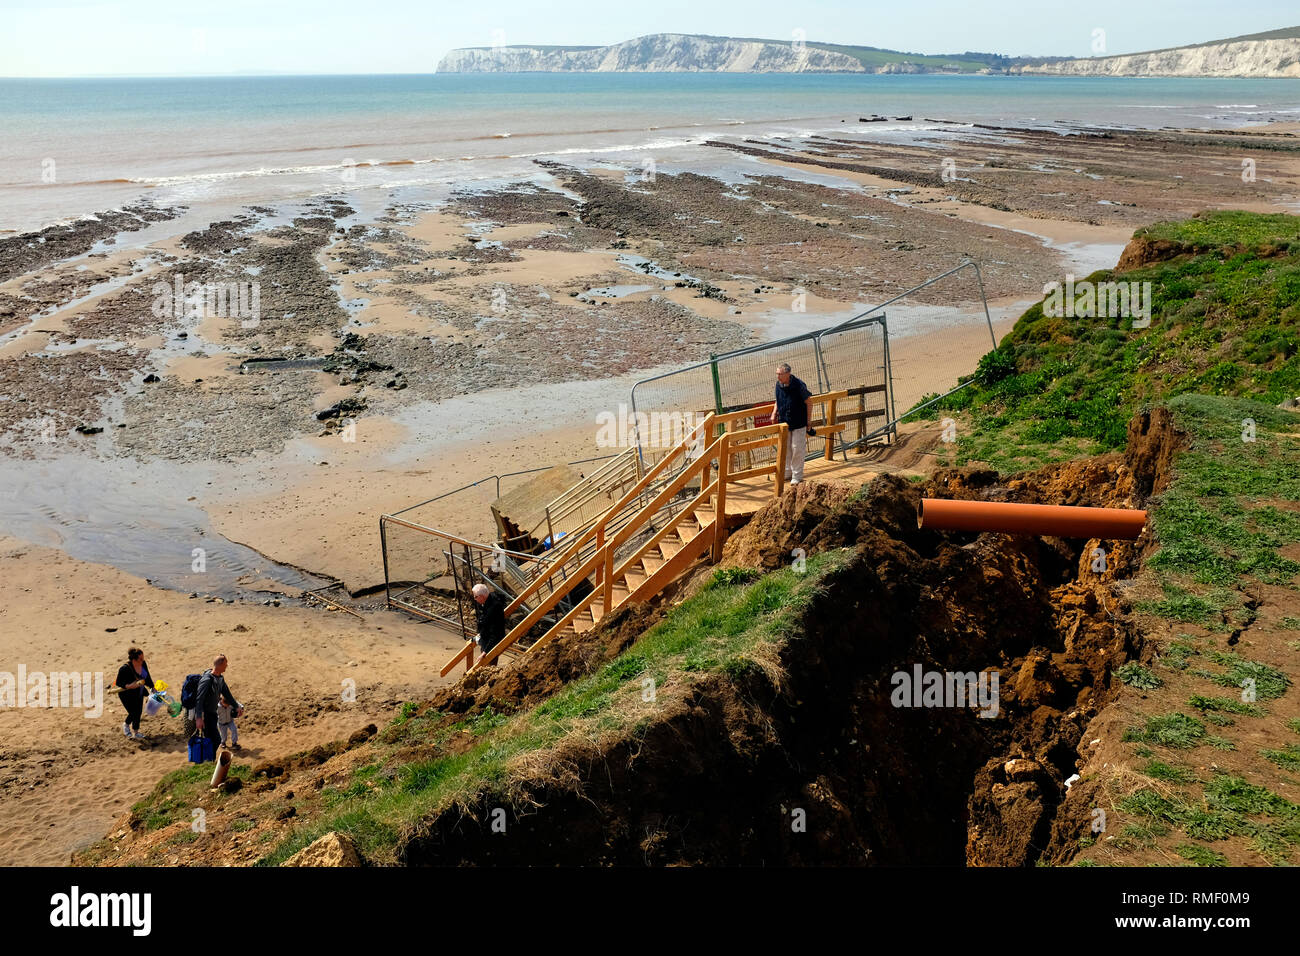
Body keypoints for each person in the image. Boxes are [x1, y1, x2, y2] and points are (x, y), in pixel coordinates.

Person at [774, 362, 814, 486]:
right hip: (784, 421)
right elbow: (778, 399)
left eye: (780, 374)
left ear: (788, 374)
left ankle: (797, 475)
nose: (778, 377)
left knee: (797, 448)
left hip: (799, 421)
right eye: (777, 374)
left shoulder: (799, 385)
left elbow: (809, 402)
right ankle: (787, 472)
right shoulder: (778, 385)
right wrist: (774, 412)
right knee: (786, 448)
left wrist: (808, 421)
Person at [194, 655, 242, 757]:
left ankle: (209, 760)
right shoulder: (207, 680)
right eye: (225, 663)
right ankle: (207, 760)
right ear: (220, 665)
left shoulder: (220, 678)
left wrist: (236, 706)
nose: (227, 665)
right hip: (205, 715)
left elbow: (227, 693)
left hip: (213, 713)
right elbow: (199, 699)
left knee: (214, 739)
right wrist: (198, 718)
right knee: (214, 739)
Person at [114, 647, 155, 740]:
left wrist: (152, 687)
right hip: (127, 695)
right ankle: (126, 725)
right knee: (133, 712)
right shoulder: (125, 669)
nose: (142, 660)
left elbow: (147, 677)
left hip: (139, 692)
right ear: (134, 659)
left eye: (143, 658)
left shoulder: (143, 664)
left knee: (138, 712)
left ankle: (136, 732)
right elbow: (119, 683)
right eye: (140, 659)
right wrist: (129, 686)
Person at [472, 583, 507, 666]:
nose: (474, 599)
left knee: (488, 666)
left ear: (482, 596)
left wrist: (485, 651)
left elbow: (495, 632)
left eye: (475, 597)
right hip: (485, 639)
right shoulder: (487, 603)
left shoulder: (494, 608)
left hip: (491, 644)